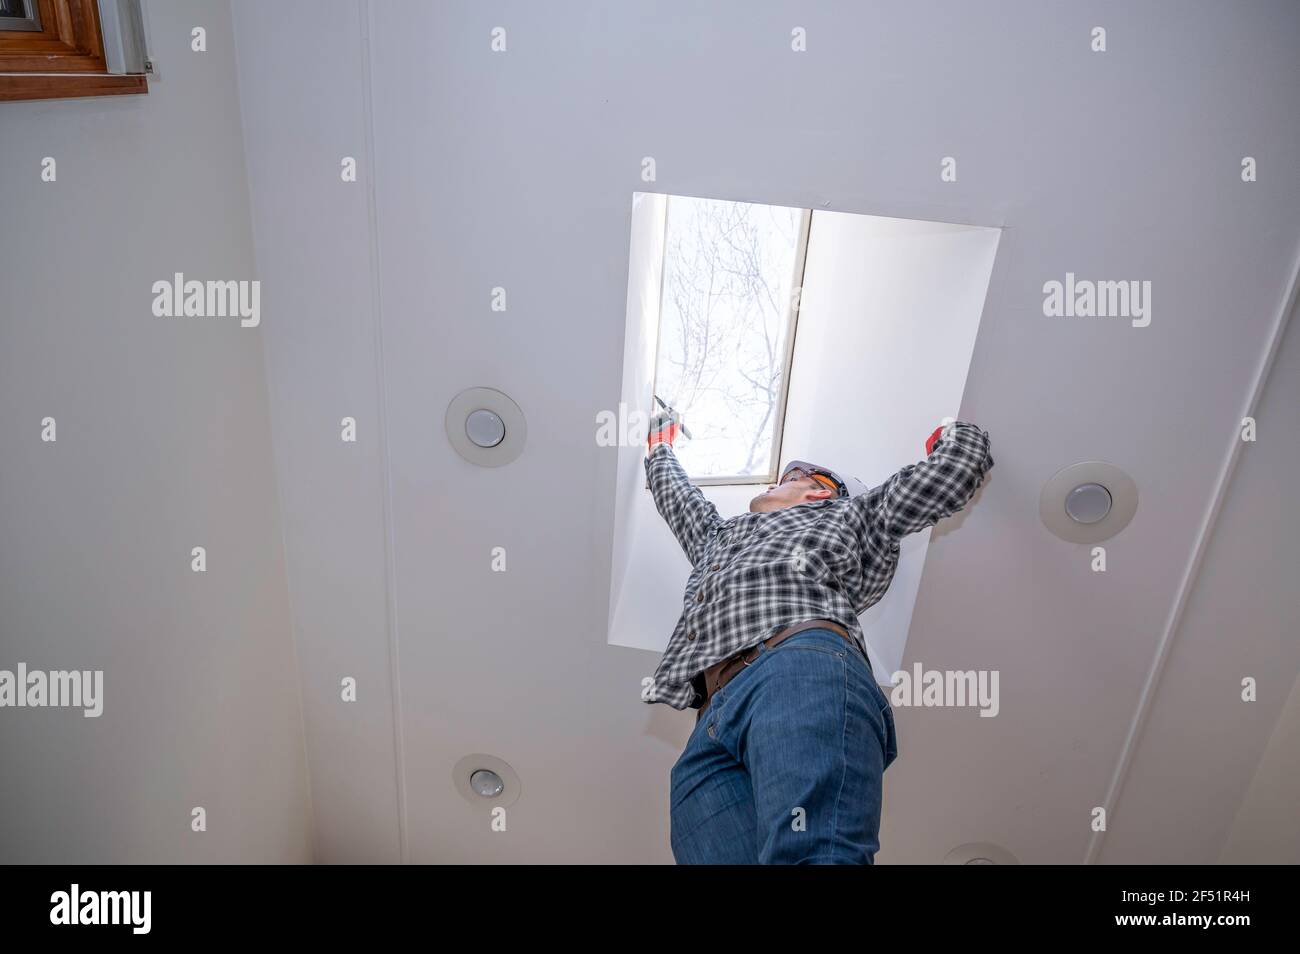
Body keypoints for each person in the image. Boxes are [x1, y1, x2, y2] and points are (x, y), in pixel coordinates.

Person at [642, 409, 994, 864]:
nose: (770, 483)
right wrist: (660, 445)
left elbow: (956, 467)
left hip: (798, 664)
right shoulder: (718, 537)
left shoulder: (853, 514)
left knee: (809, 853)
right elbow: (678, 499)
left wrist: (948, 432)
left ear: (819, 489)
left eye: (789, 476)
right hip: (708, 722)